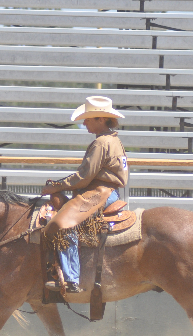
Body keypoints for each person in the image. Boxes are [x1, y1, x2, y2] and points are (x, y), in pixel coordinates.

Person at [41, 96, 129, 293]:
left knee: (63, 224)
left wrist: (55, 187)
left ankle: (71, 279)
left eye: (88, 119)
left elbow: (83, 177)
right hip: (108, 192)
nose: (84, 122)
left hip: (98, 193)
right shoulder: (114, 141)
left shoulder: (101, 143)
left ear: (100, 119)